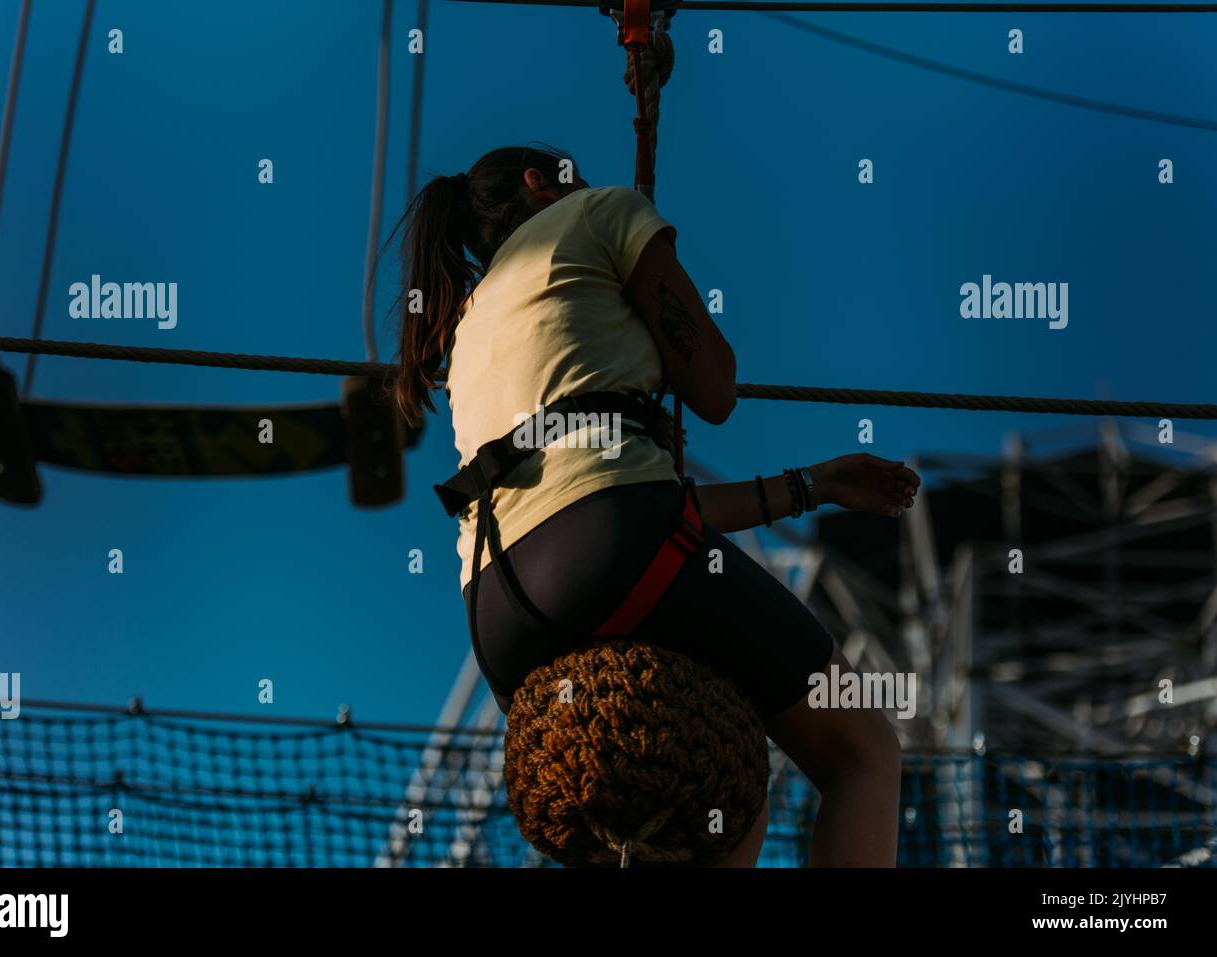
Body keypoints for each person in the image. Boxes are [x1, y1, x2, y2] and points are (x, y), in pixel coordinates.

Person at [392, 144, 919, 867]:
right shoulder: (603, 208)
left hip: (498, 612)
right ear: (538, 183)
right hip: (613, 548)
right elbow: (716, 389)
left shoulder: (472, 325)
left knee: (723, 782)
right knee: (862, 747)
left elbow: (641, 510)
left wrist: (813, 484)